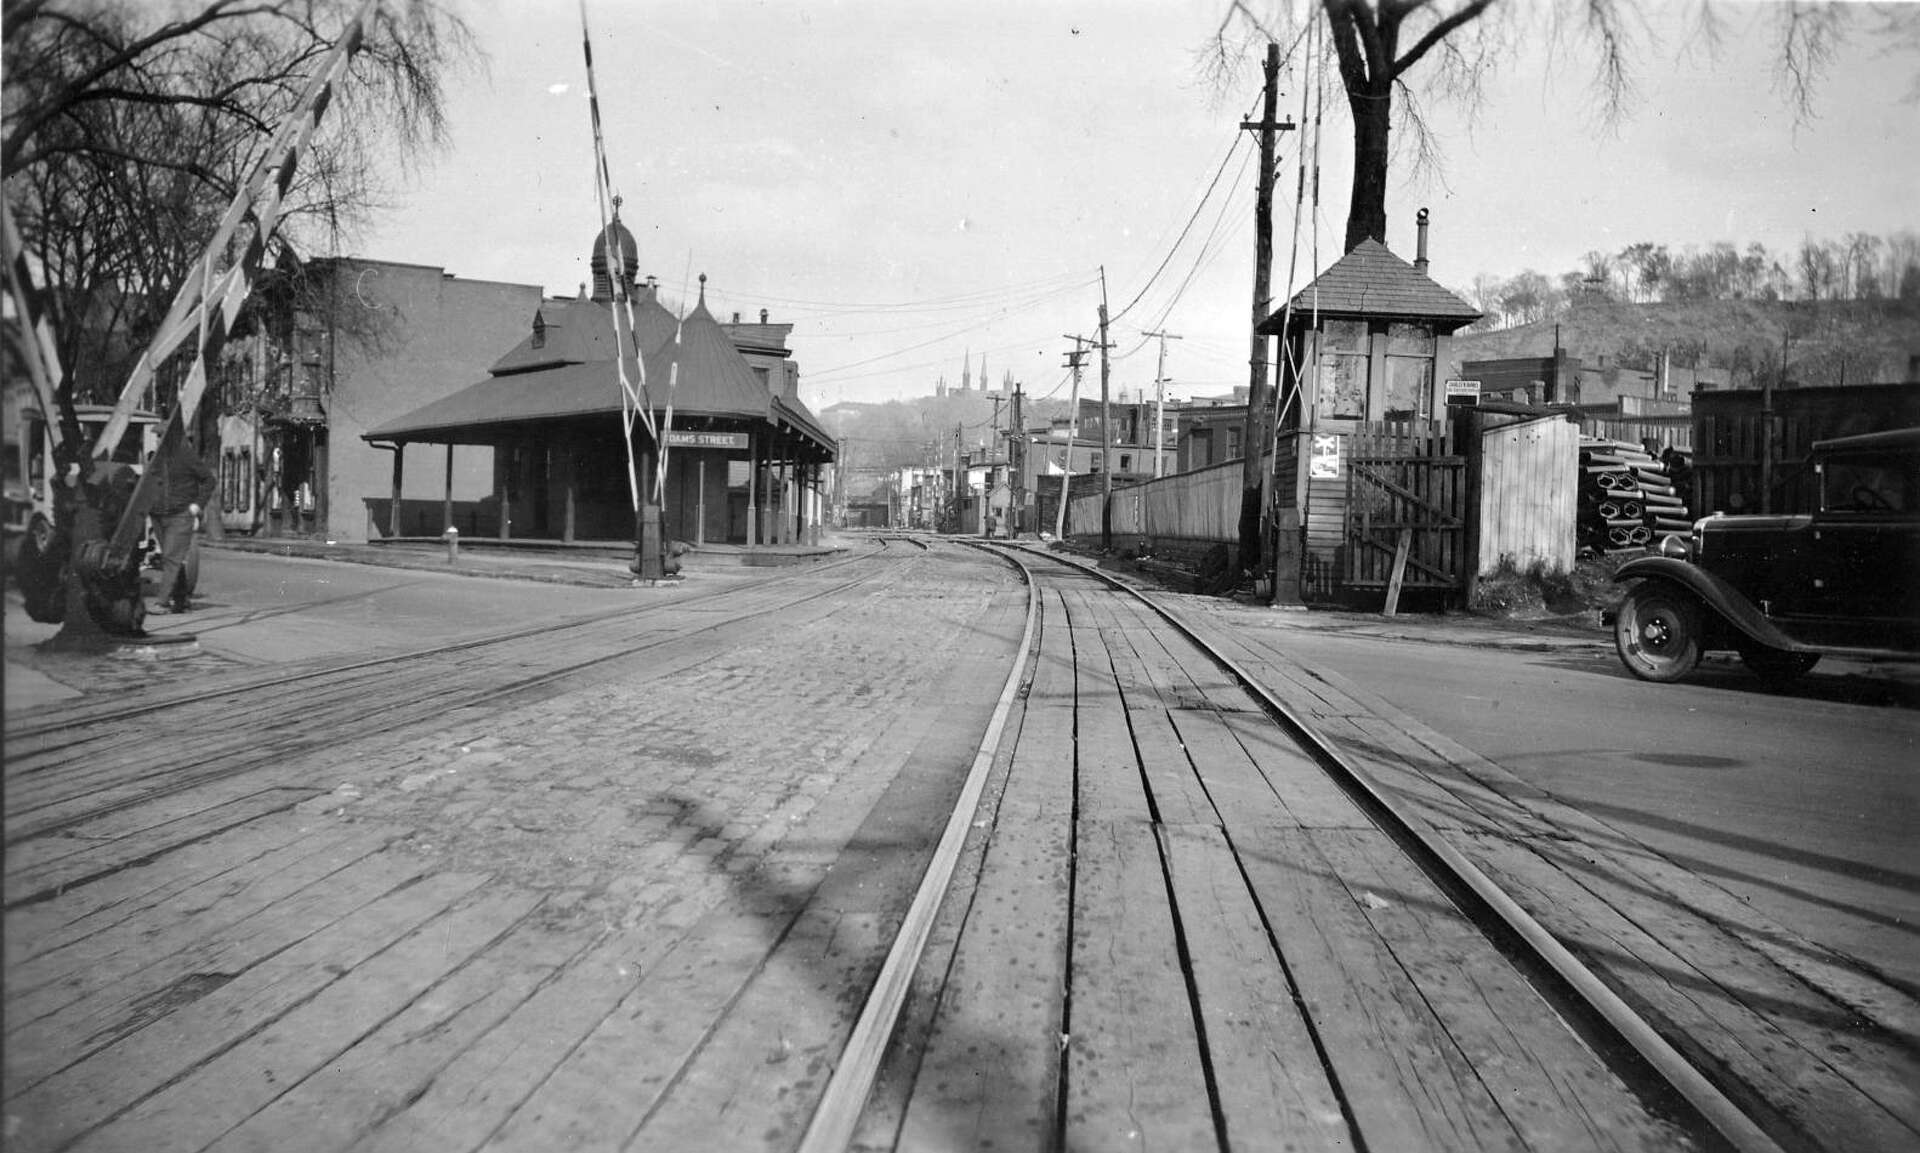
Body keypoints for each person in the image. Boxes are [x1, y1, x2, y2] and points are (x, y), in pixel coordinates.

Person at [148, 434, 215, 615]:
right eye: (158, 436)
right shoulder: (155, 458)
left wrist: (197, 505)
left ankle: (162, 602)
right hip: (158, 513)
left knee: (171, 557)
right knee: (173, 558)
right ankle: (181, 599)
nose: (158, 440)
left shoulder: (187, 456)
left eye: (162, 436)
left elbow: (209, 480)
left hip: (180, 514)